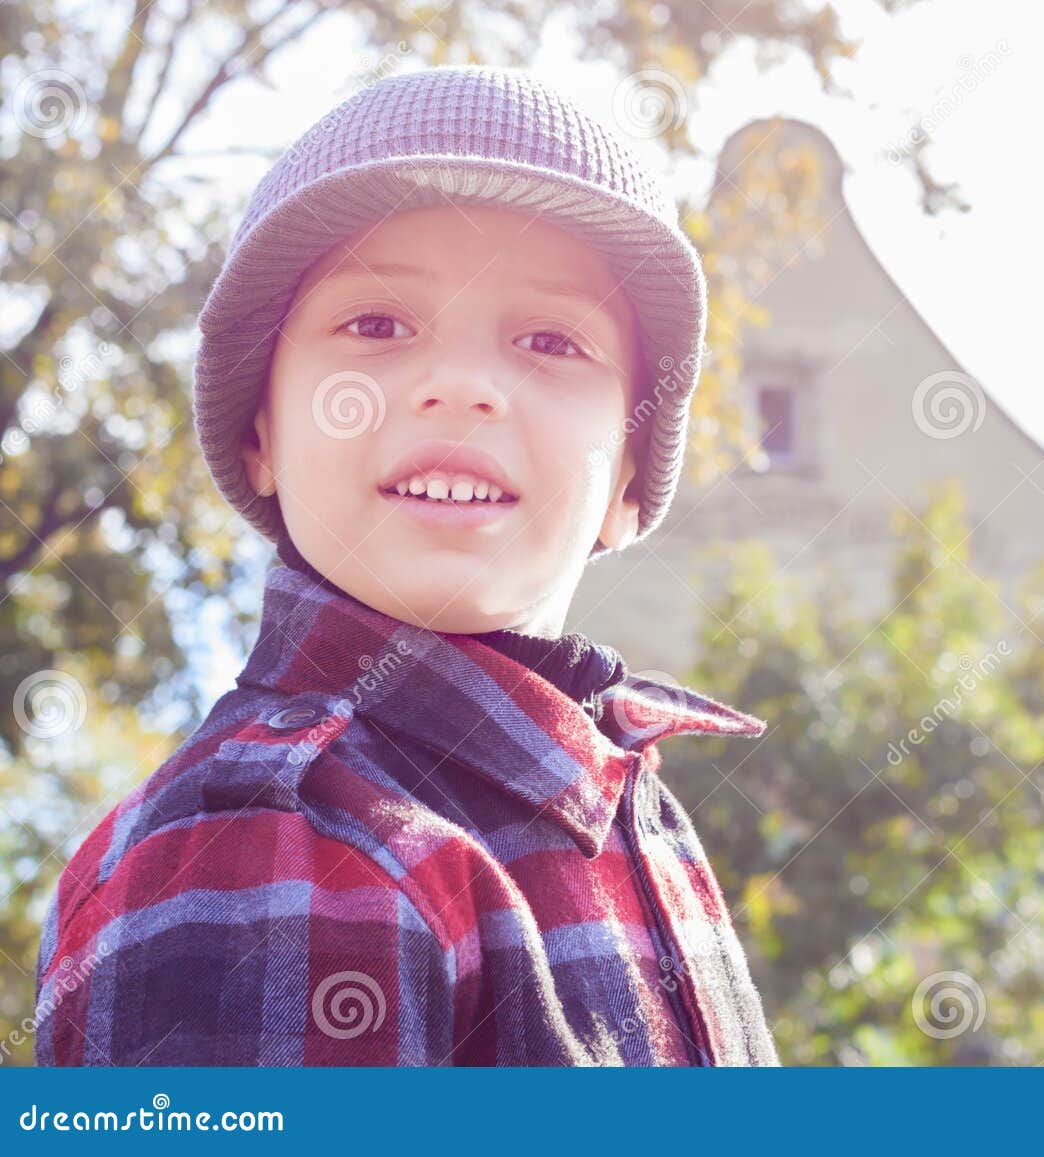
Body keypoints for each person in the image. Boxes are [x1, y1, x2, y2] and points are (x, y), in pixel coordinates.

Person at [32, 65, 779, 1066]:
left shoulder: (626, 799)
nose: (462, 385)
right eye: (377, 325)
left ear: (632, 471)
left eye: (552, 340)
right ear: (260, 428)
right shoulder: (278, 835)